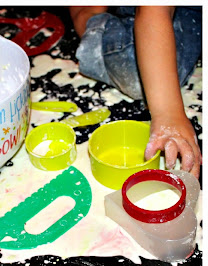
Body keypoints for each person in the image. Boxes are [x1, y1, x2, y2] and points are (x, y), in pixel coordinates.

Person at [70, 6, 202, 178]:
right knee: (136, 73)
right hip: (153, 10)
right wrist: (168, 113)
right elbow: (154, 9)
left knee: (163, 75)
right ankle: (88, 15)